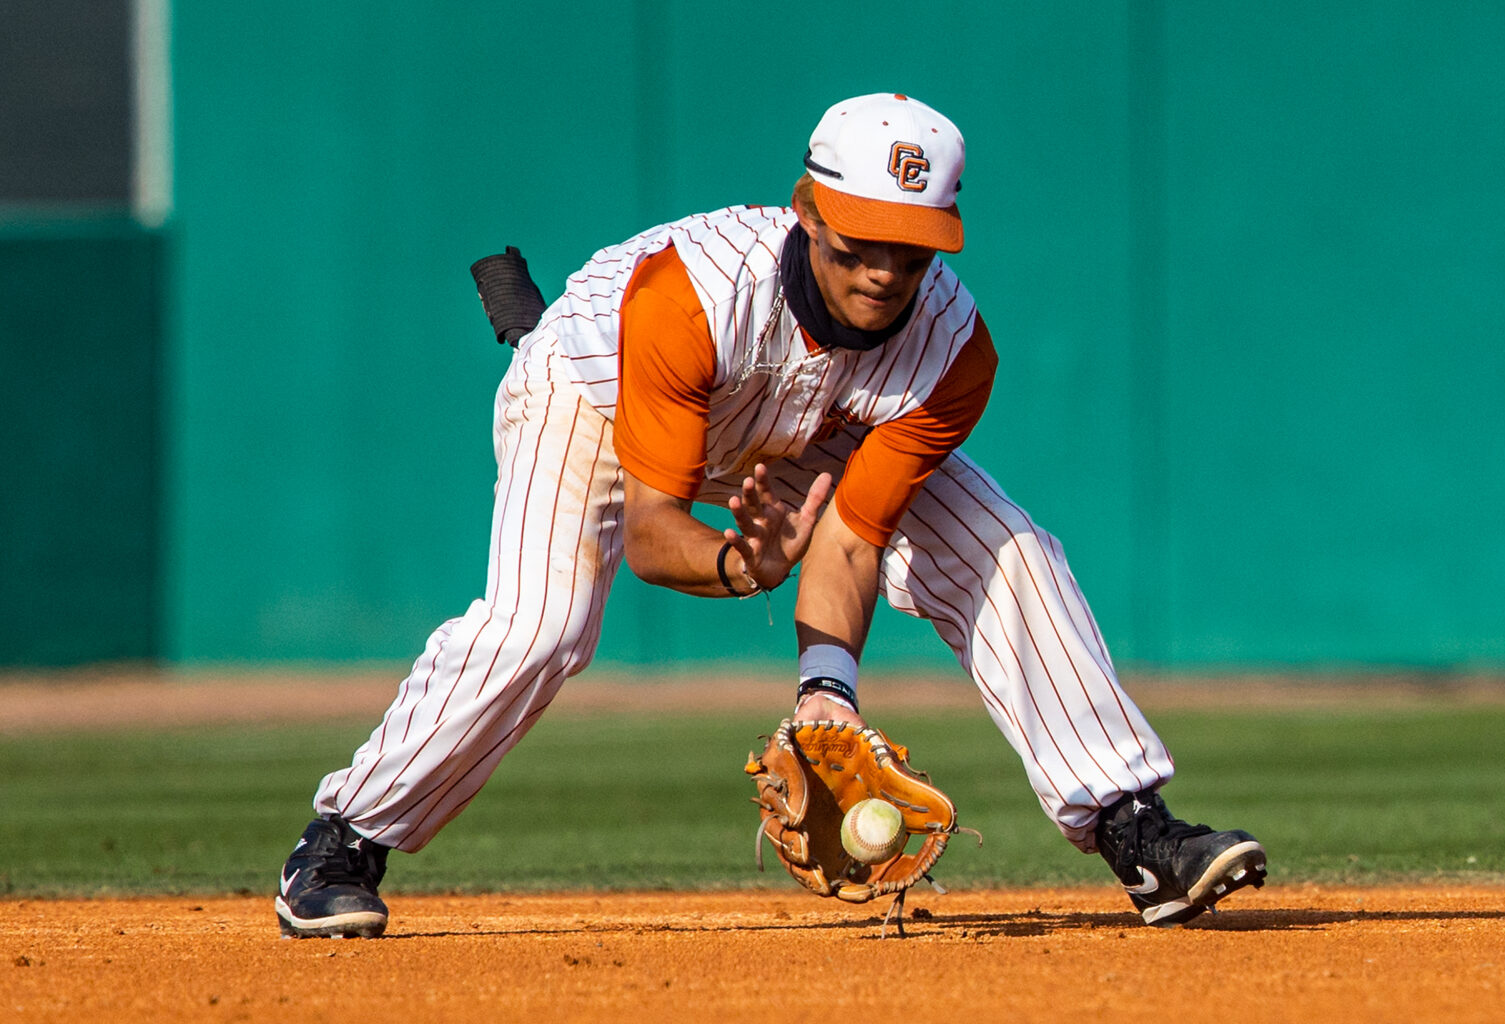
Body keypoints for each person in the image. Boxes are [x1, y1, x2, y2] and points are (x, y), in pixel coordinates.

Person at [274, 92, 1266, 938]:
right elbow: (658, 531)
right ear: (806, 210)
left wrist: (824, 692)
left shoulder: (952, 353)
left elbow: (856, 532)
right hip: (598, 392)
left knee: (1002, 545)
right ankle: (342, 840)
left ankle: (1137, 831)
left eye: (914, 251)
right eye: (862, 242)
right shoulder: (691, 298)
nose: (886, 271)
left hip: (806, 421)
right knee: (542, 627)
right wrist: (744, 565)